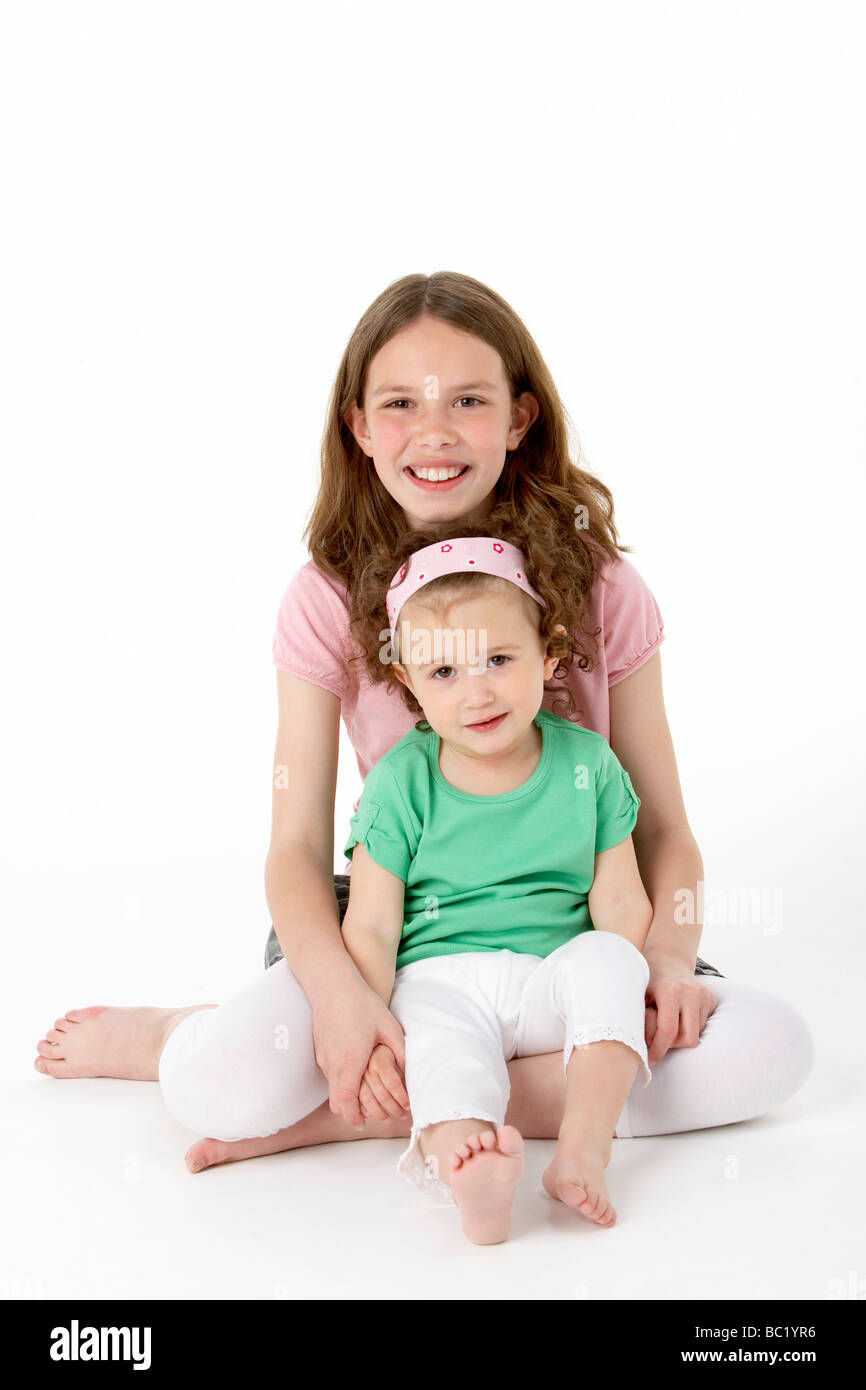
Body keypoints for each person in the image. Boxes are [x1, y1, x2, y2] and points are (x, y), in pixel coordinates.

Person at [33, 272, 813, 1178]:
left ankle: (362, 1115)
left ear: (519, 420)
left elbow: (668, 831)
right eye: (400, 403)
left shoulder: (606, 590)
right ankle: (184, 1030)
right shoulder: (324, 600)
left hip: (577, 942)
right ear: (360, 429)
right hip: (397, 939)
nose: (435, 431)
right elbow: (294, 847)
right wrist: (337, 999)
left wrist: (670, 962)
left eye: (469, 400)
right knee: (217, 1085)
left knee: (771, 1049)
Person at [340, 532, 656, 1244]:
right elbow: (371, 926)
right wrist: (371, 1027)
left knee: (612, 958)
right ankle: (470, 1174)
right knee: (443, 1051)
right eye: (444, 672)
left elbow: (622, 903)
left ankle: (584, 1143)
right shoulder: (402, 780)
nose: (476, 690)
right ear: (410, 685)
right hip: (439, 981)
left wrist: (612, 984)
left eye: (499, 660)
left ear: (547, 654)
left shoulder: (588, 763)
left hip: (550, 981)